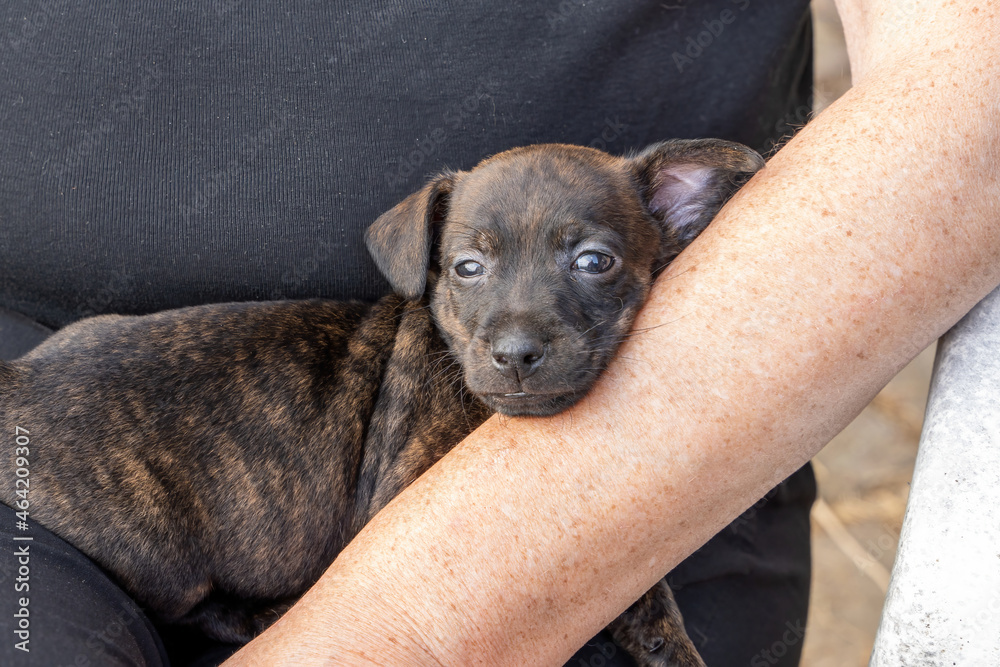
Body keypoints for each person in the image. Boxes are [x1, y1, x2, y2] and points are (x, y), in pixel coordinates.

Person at [1, 1, 997, 666]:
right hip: (55, 448)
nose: (518, 333)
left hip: (621, 500)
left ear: (679, 203)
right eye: (473, 268)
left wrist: (400, 632)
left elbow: (977, 90)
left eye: (591, 260)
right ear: (432, 257)